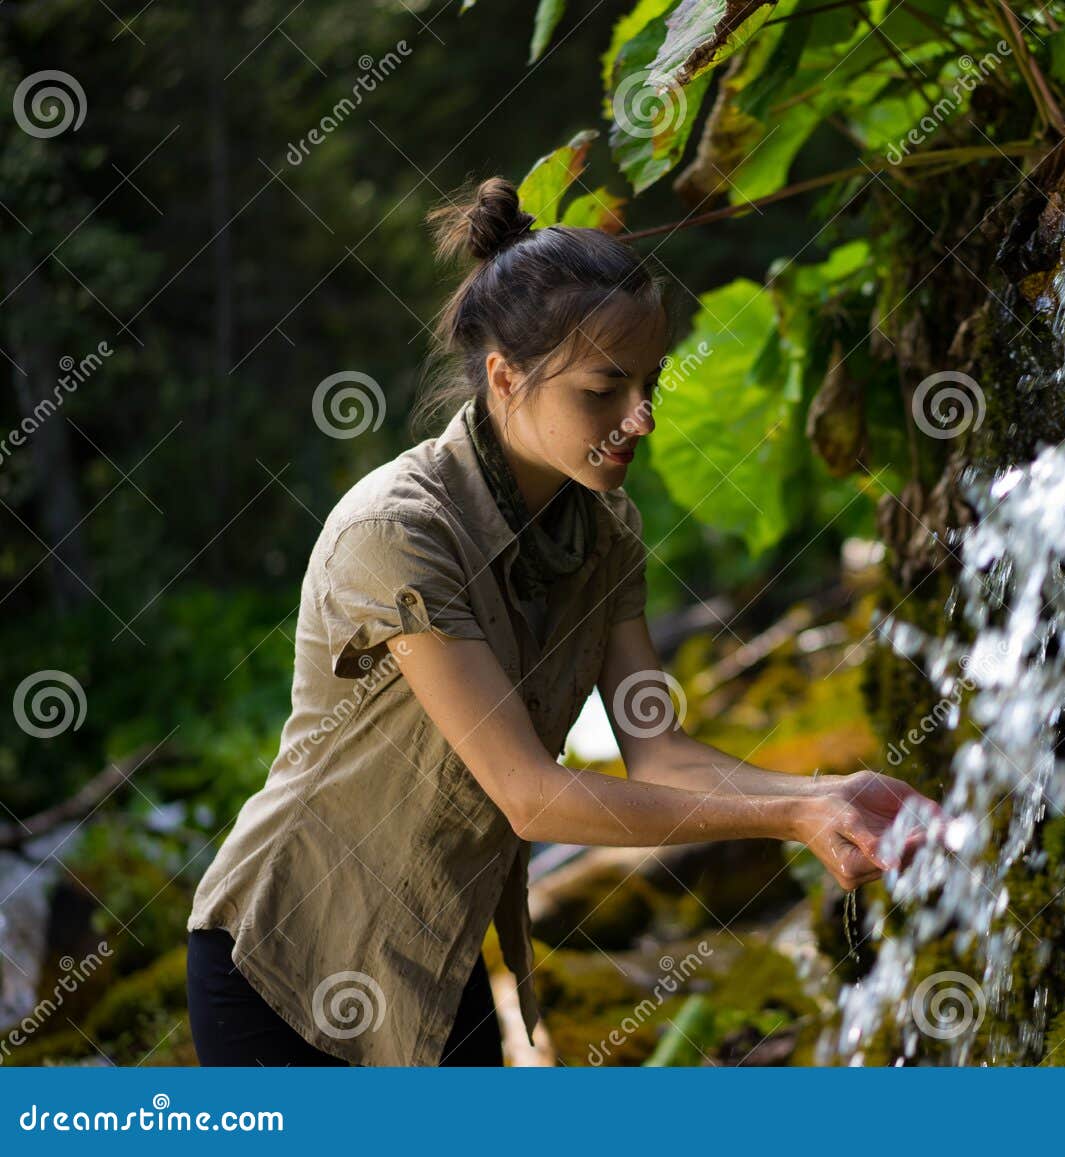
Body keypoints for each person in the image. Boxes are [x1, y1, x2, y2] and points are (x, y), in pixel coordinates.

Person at [184, 176, 937, 1067]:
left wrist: (826, 795)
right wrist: (787, 818)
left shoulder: (606, 528)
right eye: (604, 389)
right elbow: (531, 794)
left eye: (649, 383)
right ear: (505, 377)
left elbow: (659, 748)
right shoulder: (398, 532)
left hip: (433, 959)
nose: (640, 417)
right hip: (286, 964)